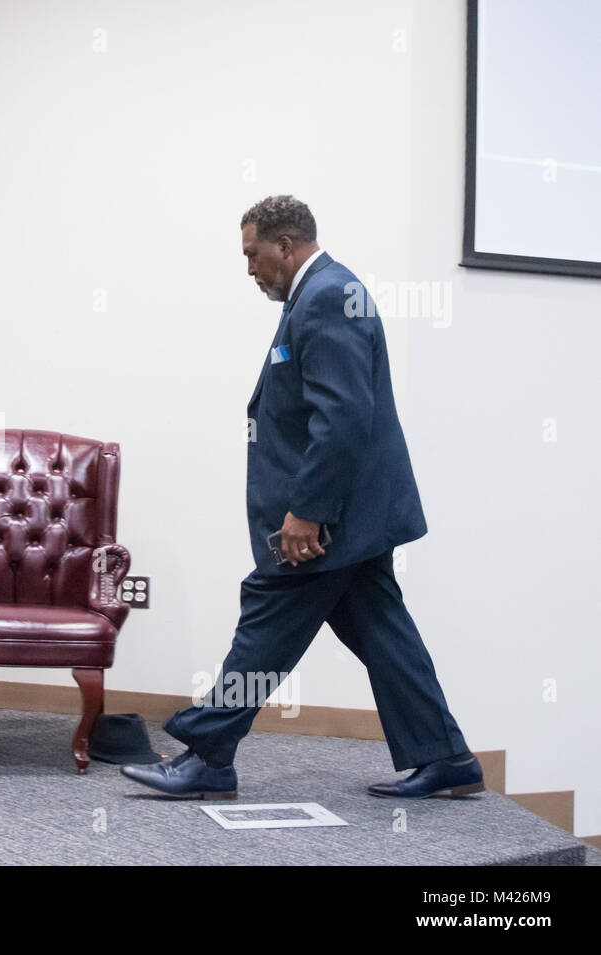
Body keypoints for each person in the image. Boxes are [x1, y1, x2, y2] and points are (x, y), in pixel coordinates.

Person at [122, 196, 482, 800]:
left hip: (329, 519)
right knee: (382, 629)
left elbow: (341, 417)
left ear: (284, 246)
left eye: (252, 253)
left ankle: (209, 752)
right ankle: (446, 756)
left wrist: (307, 512)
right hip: (356, 515)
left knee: (267, 621)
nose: (249, 269)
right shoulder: (325, 294)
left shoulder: (325, 298)